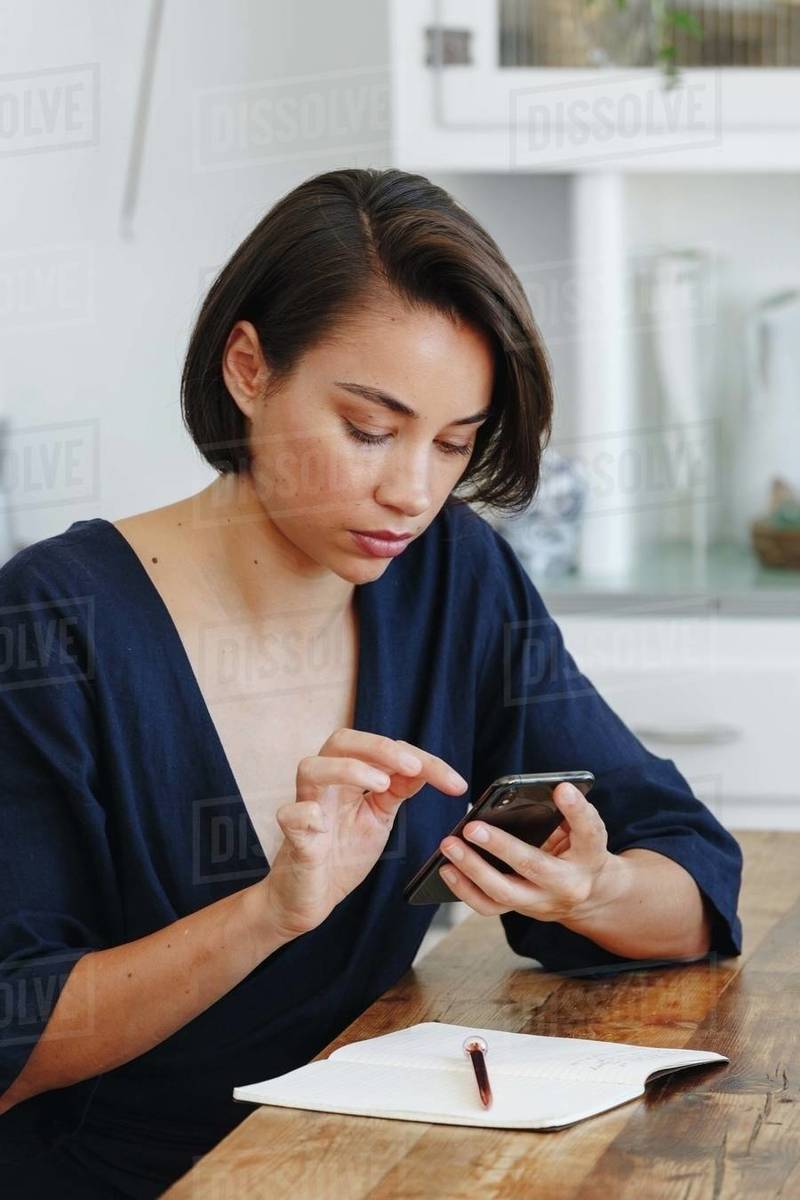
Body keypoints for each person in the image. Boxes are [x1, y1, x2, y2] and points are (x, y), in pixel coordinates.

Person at [0, 167, 743, 1197]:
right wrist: (268, 912)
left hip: (358, 1163)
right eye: (366, 428)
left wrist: (592, 889)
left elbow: (696, 880)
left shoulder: (451, 575)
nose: (411, 491)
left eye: (452, 443)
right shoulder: (52, 622)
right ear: (249, 367)